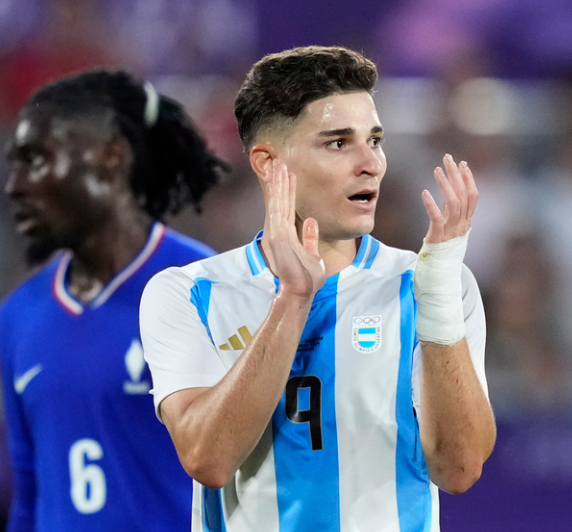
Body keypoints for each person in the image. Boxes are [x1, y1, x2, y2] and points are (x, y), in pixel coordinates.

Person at [139, 45, 496, 531]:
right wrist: (292, 300)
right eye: (338, 143)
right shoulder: (189, 293)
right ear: (268, 163)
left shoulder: (429, 286)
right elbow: (208, 459)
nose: (370, 163)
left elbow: (460, 469)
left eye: (375, 139)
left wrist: (436, 305)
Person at [0, 69, 228, 531]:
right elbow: (28, 494)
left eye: (36, 160)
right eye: (14, 164)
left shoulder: (205, 287)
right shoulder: (17, 315)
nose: (15, 185)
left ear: (110, 159)